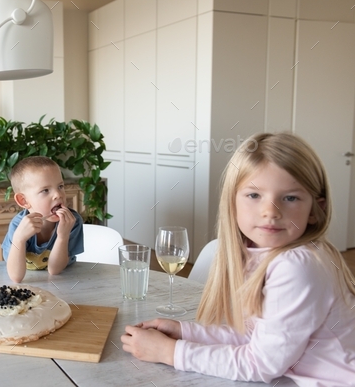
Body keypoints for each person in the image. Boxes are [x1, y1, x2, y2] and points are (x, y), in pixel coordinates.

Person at [121, 132, 355, 386]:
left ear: (315, 209)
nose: (270, 212)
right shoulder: (262, 252)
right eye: (254, 195)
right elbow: (256, 337)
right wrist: (184, 332)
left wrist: (169, 352)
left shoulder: (297, 265)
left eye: (290, 198)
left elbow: (261, 363)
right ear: (232, 203)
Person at [1, 156, 84, 283]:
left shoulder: (72, 222)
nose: (58, 195)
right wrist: (19, 238)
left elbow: (54, 270)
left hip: (64, 280)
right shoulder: (19, 225)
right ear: (24, 201)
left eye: (60, 186)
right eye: (45, 190)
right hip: (29, 280)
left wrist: (62, 235)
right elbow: (16, 277)